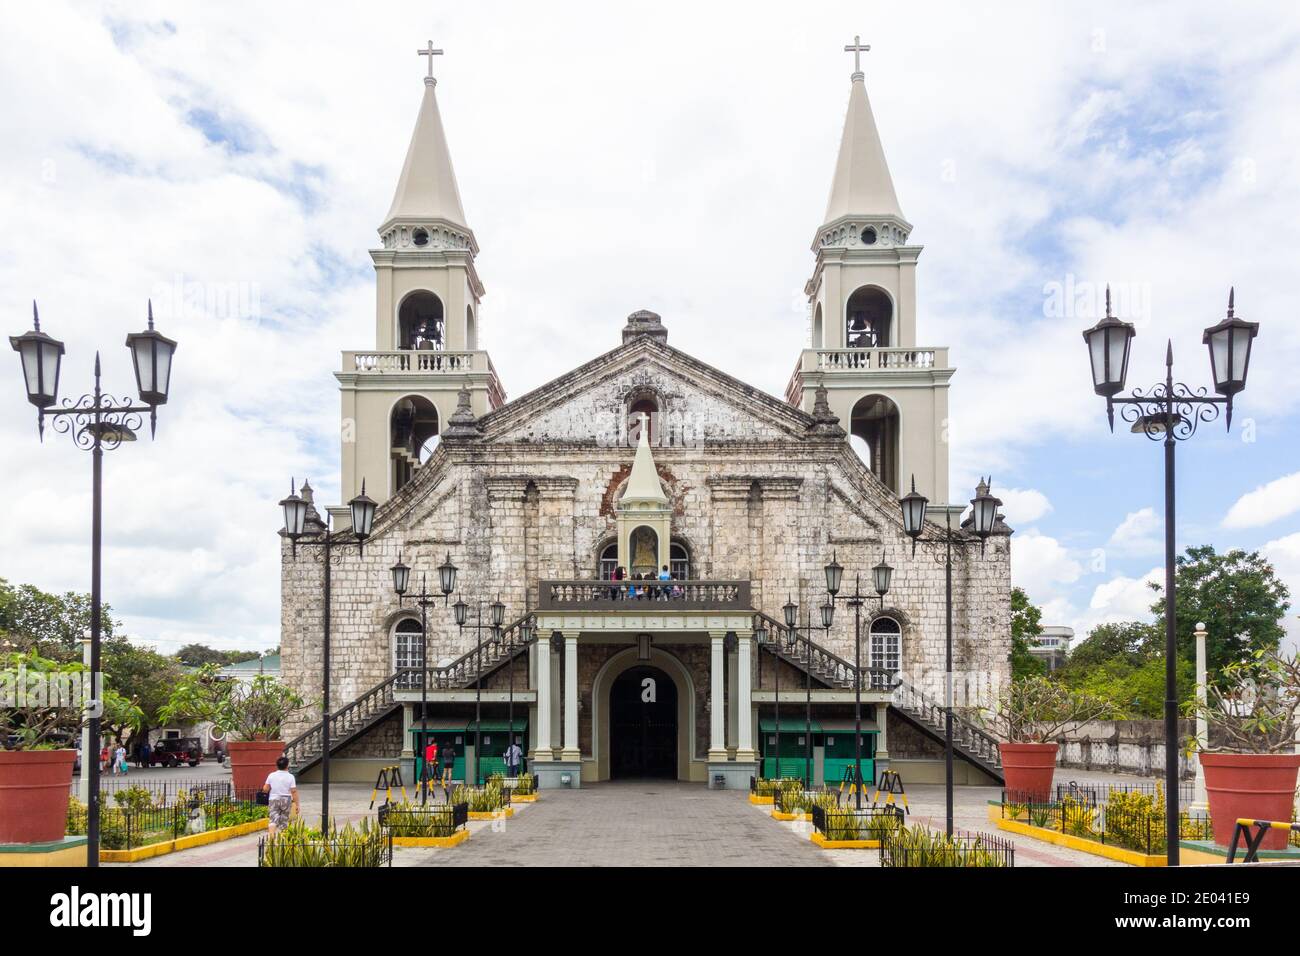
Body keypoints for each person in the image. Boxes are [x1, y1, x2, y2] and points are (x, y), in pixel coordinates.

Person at [261, 755, 299, 837]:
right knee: (284, 820)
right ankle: (283, 840)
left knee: (273, 820)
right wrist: (297, 804)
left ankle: (271, 840)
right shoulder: (290, 777)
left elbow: (265, 789)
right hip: (286, 799)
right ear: (287, 765)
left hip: (274, 798)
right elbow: (294, 791)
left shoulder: (271, 775)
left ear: (277, 765)